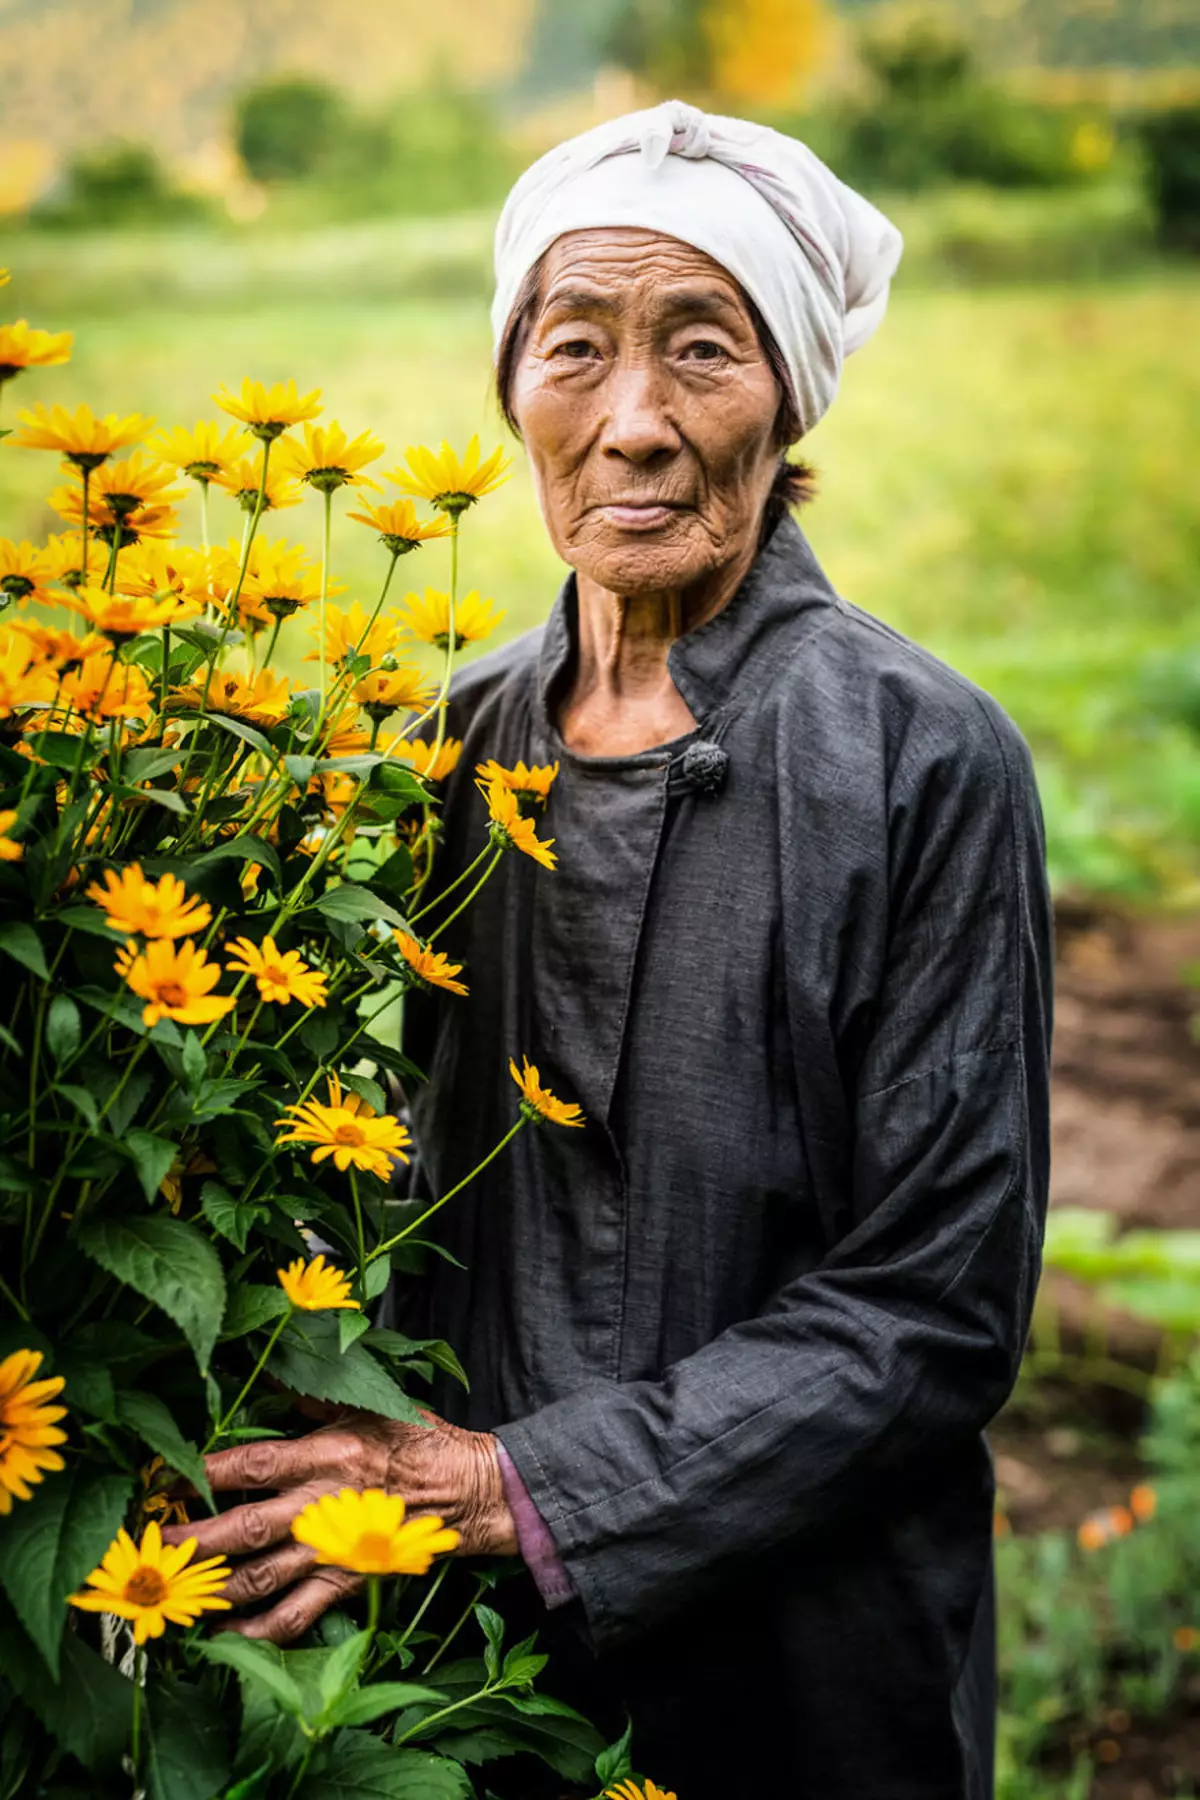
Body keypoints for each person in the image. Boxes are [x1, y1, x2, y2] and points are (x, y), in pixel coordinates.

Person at [168, 100, 1053, 1798]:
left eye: (702, 351)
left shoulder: (922, 758)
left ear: (788, 397)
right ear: (511, 396)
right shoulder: (440, 739)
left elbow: (934, 1310)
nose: (633, 424)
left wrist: (515, 1489)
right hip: (448, 1660)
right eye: (574, 348)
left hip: (803, 1661)